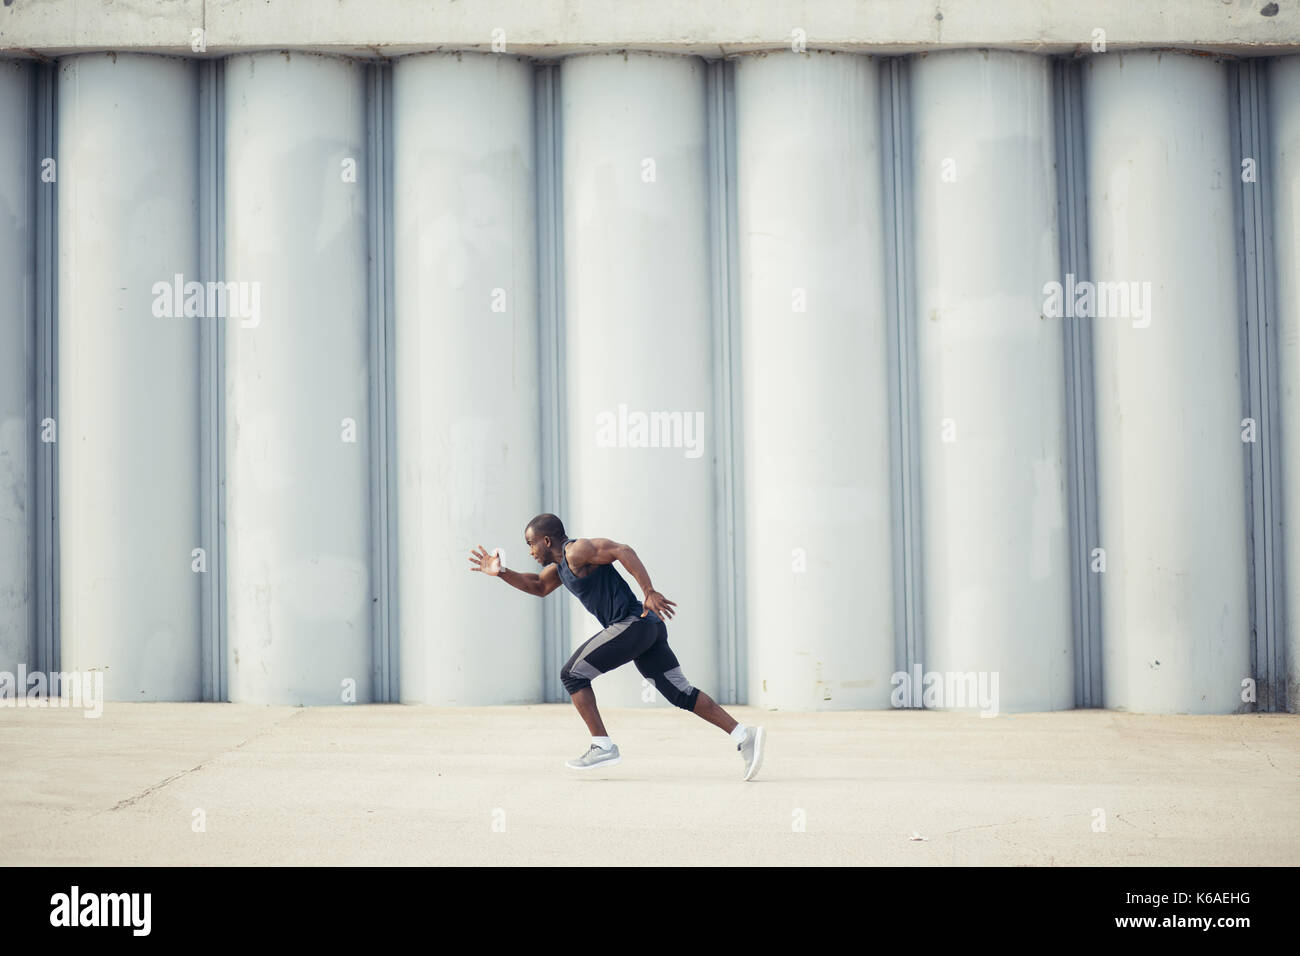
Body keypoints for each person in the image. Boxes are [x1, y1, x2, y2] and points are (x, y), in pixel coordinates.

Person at [468, 513, 764, 780]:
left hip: (633, 623)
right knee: (680, 692)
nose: (530, 551)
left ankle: (603, 745)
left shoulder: (576, 550)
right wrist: (501, 572)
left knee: (572, 675)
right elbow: (537, 586)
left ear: (547, 540)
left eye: (531, 544)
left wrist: (648, 591)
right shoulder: (560, 569)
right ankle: (743, 735)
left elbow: (623, 551)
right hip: (647, 628)